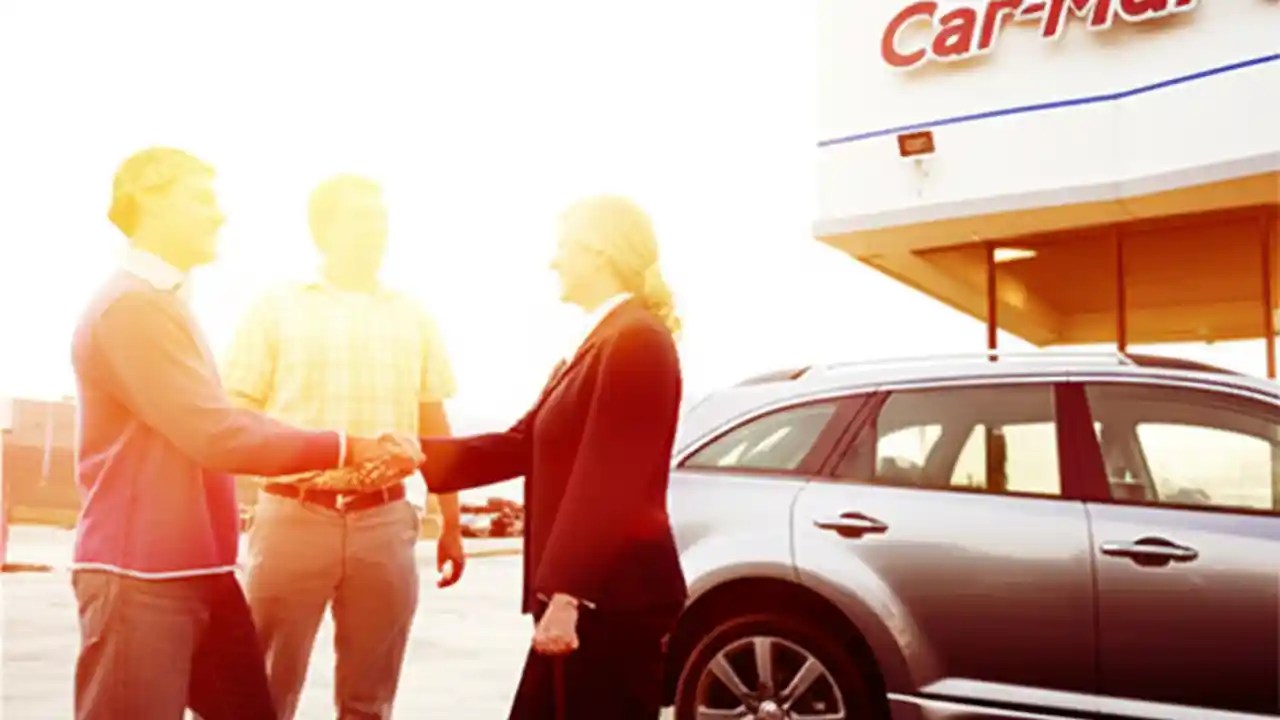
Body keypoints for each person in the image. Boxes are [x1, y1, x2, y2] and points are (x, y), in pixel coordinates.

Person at [70, 147, 421, 720]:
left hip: (199, 567)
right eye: (201, 199)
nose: (219, 215)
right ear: (149, 199)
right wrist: (346, 446)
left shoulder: (166, 302)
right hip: (139, 575)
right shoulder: (130, 308)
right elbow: (216, 433)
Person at [418, 195, 687, 719]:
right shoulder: (599, 341)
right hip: (590, 599)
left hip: (607, 603)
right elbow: (524, 443)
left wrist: (569, 598)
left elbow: (611, 481)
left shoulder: (636, 341)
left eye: (564, 247)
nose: (554, 261)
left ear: (599, 252)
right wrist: (415, 457)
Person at [222, 174, 463, 720]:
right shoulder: (276, 307)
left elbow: (435, 424)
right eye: (361, 219)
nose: (376, 230)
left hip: (385, 523)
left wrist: (452, 521)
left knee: (369, 700)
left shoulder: (413, 314)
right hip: (291, 517)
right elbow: (234, 418)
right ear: (323, 230)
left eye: (381, 220)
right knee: (262, 693)